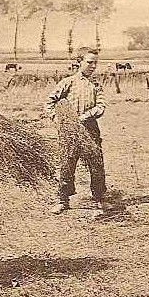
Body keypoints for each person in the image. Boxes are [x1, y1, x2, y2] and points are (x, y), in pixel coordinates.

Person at [45, 47, 107, 214]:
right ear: (79, 62)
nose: (93, 66)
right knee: (66, 165)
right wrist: (58, 120)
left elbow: (101, 107)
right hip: (69, 132)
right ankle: (62, 201)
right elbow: (50, 102)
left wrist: (85, 116)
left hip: (90, 130)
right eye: (89, 62)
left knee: (96, 166)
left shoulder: (96, 84)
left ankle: (99, 201)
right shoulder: (67, 82)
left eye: (96, 63)